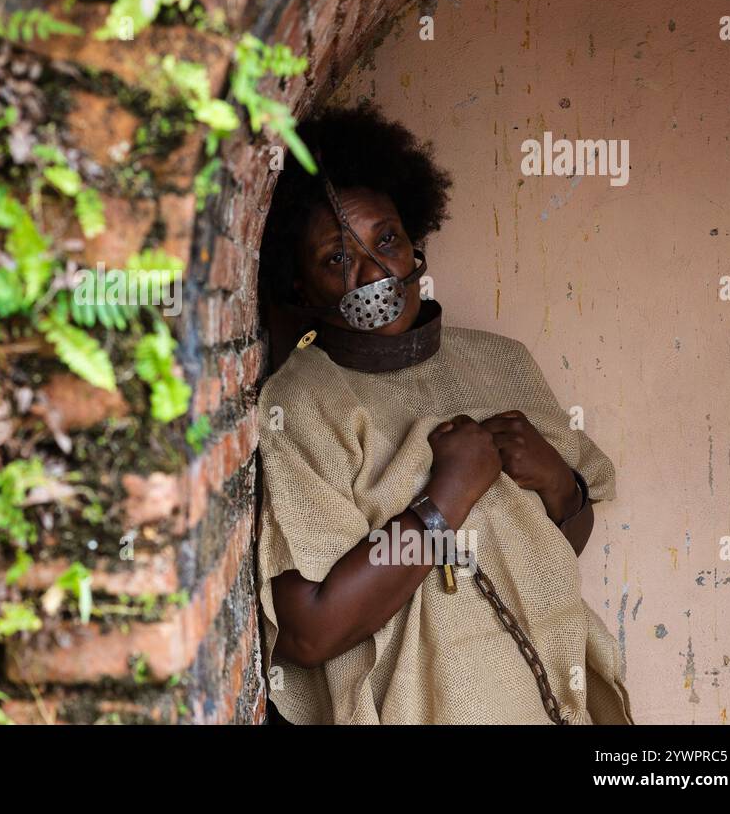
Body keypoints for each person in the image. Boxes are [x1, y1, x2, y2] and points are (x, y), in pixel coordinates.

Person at [255, 103, 634, 725]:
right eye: (336, 258)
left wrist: (560, 484)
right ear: (298, 286)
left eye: (387, 241)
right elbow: (310, 632)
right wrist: (444, 499)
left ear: (414, 240)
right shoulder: (300, 406)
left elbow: (554, 542)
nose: (375, 272)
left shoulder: (500, 362)